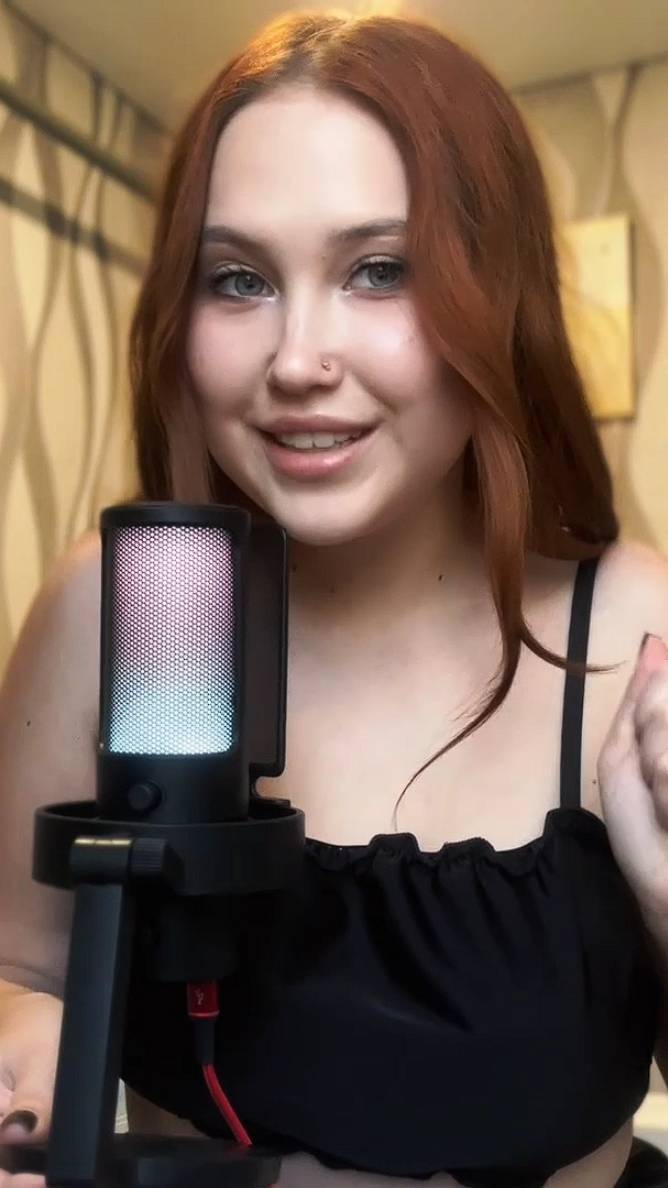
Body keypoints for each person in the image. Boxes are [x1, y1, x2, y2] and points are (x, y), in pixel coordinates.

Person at [1, 8, 668, 1187]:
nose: (297, 360)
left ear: (497, 296)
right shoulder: (113, 609)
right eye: (239, 279)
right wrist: (27, 1044)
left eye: (378, 271)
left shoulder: (633, 637)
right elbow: (23, 971)